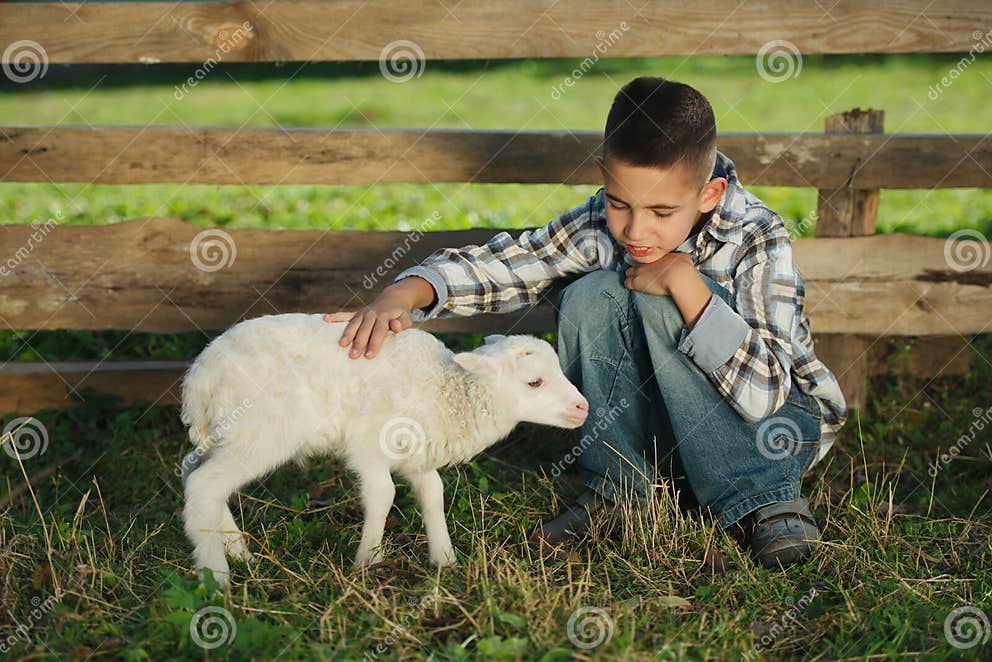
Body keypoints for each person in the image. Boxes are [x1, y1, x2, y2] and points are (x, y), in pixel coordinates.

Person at [323, 76, 847, 567]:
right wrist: (408, 292)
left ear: (708, 194)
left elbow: (766, 395)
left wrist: (686, 285)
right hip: (671, 423)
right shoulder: (602, 221)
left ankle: (767, 500)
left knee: (669, 296)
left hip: (772, 429)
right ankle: (621, 489)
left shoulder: (757, 236)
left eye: (662, 212)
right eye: (621, 203)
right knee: (593, 291)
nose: (635, 229)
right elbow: (511, 264)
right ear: (604, 173)